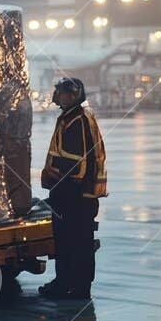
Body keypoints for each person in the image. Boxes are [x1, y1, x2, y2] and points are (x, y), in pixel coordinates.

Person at [39, 76, 106, 300]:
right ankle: (63, 282)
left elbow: (79, 162)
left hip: (76, 193)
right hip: (66, 191)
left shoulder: (79, 120)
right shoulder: (70, 117)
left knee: (78, 242)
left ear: (74, 94)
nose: (57, 96)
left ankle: (79, 288)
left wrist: (59, 179)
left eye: (62, 92)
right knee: (65, 240)